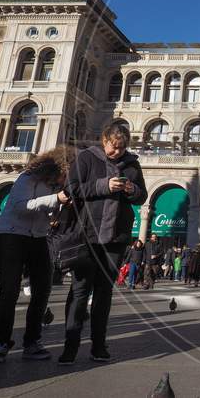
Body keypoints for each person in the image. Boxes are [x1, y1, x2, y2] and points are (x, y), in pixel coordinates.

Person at [62, 122, 146, 365]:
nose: (117, 152)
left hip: (114, 237)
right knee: (79, 292)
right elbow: (70, 189)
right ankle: (70, 346)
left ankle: (99, 345)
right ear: (104, 140)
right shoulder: (87, 158)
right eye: (113, 147)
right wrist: (103, 185)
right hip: (86, 235)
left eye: (121, 148)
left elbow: (142, 196)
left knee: (104, 293)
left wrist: (131, 189)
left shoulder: (132, 164)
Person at [0, 146, 75, 364]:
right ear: (59, 167)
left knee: (43, 289)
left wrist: (59, 209)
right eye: (67, 172)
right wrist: (55, 199)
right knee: (9, 290)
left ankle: (32, 342)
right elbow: (19, 206)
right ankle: (1, 343)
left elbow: (47, 212)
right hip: (11, 235)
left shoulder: (55, 185)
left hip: (38, 237)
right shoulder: (28, 178)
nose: (67, 178)